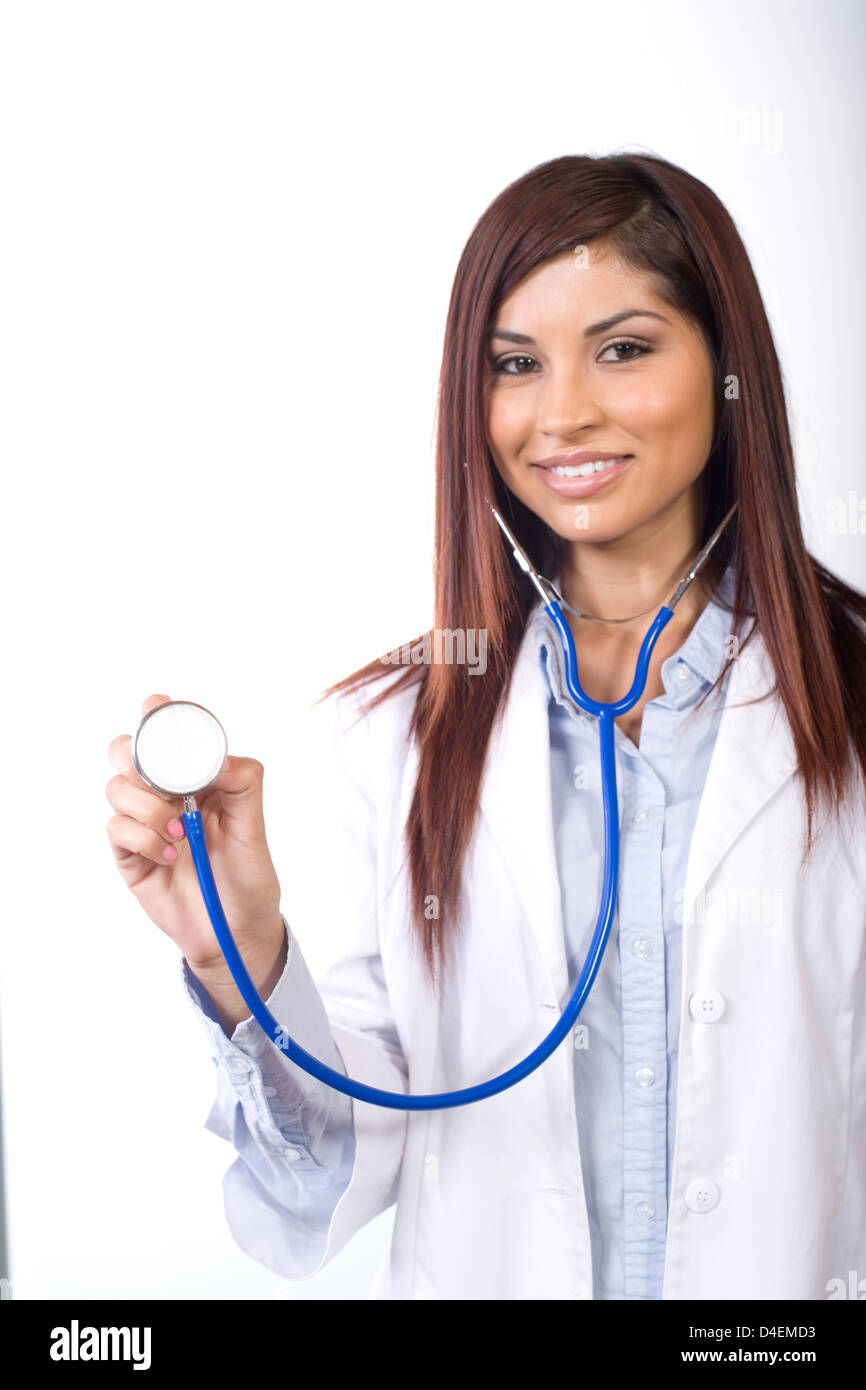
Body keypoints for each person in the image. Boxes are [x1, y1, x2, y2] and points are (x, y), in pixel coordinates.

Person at [105, 152, 866, 1301]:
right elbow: (338, 1170)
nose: (560, 412)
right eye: (513, 364)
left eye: (622, 348)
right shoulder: (391, 735)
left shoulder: (847, 704)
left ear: (726, 373)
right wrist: (238, 951)